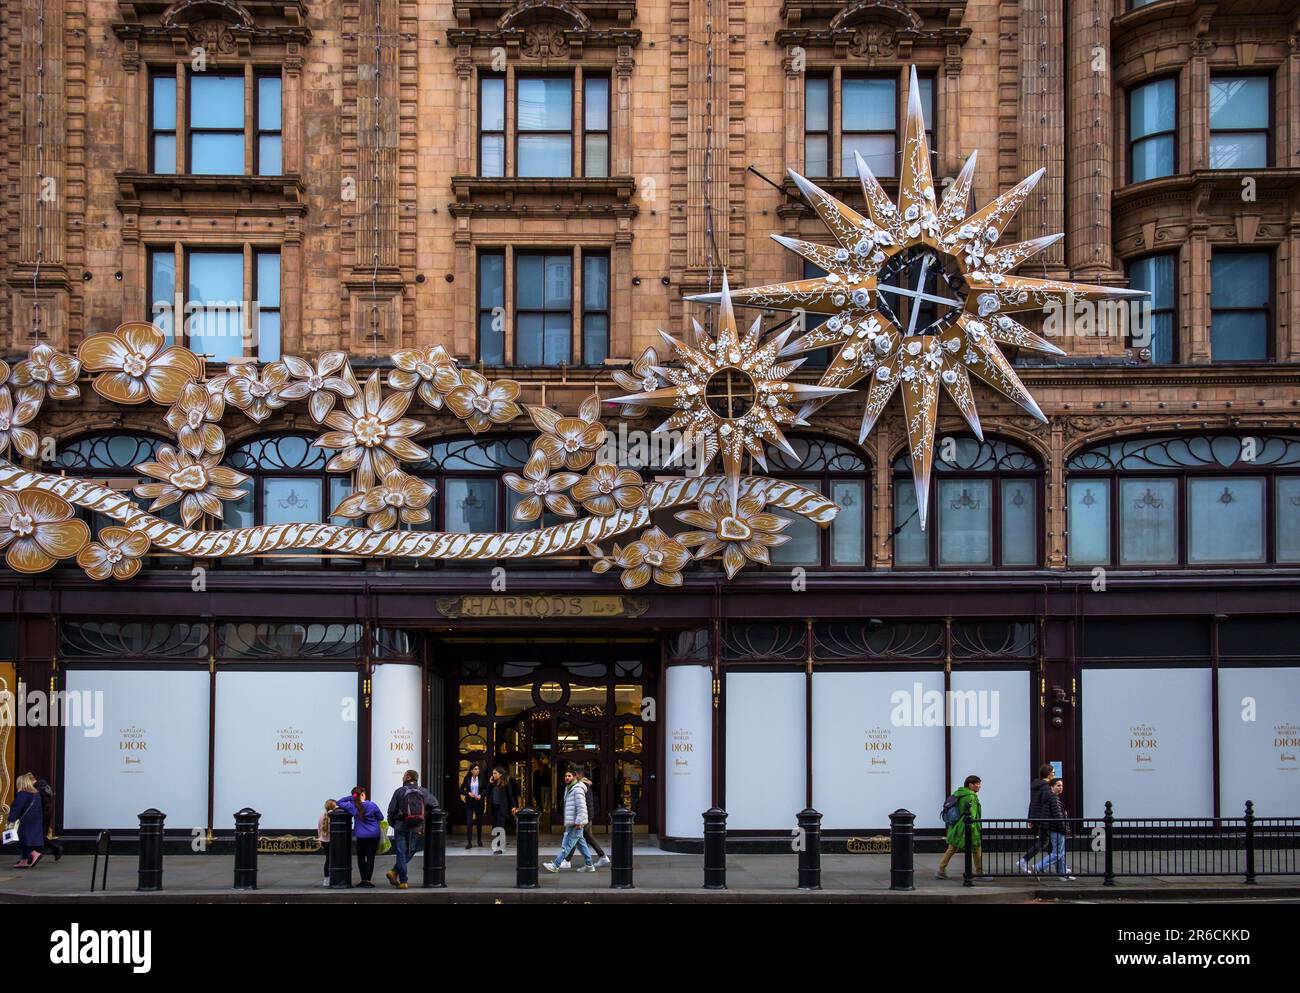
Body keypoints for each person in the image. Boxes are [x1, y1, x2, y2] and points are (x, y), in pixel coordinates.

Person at [386, 770, 437, 889]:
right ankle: (395, 873)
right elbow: (435, 804)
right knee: (412, 849)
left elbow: (391, 810)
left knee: (400, 852)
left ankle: (402, 879)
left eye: (403, 775)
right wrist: (423, 816)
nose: (402, 777)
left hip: (401, 825)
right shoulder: (423, 791)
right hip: (416, 826)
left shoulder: (399, 791)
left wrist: (393, 823)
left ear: (408, 777)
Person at [542, 766, 596, 873]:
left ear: (575, 777)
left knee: (567, 845)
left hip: (576, 823)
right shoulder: (569, 788)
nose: (567, 778)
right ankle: (589, 865)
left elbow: (582, 807)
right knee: (581, 844)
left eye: (569, 776)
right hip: (572, 822)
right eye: (566, 776)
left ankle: (556, 865)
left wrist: (580, 822)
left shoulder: (577, 789)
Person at [336, 786, 384, 887]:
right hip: (374, 834)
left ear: (354, 796)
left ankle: (363, 880)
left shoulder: (352, 806)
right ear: (363, 794)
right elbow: (381, 817)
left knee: (361, 857)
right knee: (371, 857)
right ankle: (368, 881)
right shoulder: (372, 805)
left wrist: (351, 798)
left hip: (361, 835)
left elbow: (339, 802)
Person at [936, 775, 982, 879]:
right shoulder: (971, 796)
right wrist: (975, 829)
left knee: (952, 847)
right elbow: (972, 815)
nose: (979, 786)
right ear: (970, 785)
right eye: (977, 784)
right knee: (976, 847)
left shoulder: (959, 793)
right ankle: (979, 873)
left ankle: (941, 870)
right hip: (968, 827)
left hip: (956, 826)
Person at [1032, 777, 1075, 880]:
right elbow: (1058, 816)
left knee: (1060, 853)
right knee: (1058, 853)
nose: (1060, 788)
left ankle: (1062, 873)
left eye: (1062, 786)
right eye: (1058, 785)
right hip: (1057, 829)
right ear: (1052, 787)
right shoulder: (1054, 798)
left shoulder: (1050, 797)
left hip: (1053, 828)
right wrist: (1065, 829)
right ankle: (1038, 867)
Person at [1019, 763, 1056, 873]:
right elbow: (1046, 803)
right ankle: (1024, 860)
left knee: (1049, 842)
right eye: (1053, 773)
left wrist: (1030, 818)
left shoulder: (1036, 785)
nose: (1054, 775)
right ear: (1049, 774)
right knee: (1046, 842)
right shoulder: (1046, 787)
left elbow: (1033, 802)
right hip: (1045, 817)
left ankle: (1059, 867)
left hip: (1037, 816)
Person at [5, 773, 46, 868]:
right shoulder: (36, 794)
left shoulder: (22, 794)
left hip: (24, 822)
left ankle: (34, 854)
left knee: (20, 840)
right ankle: (24, 861)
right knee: (27, 841)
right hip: (35, 822)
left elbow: (16, 808)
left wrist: (11, 820)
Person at [580, 769, 609, 868]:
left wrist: (585, 818)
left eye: (572, 775)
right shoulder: (583, 785)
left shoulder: (583, 786)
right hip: (586, 816)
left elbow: (585, 804)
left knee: (573, 838)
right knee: (587, 838)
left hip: (585, 817)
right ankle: (602, 856)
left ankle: (566, 860)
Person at [488, 765, 518, 855]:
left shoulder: (506, 783)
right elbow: (487, 792)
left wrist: (513, 806)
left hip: (502, 809)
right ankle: (497, 846)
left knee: (500, 827)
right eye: (493, 773)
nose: (493, 775)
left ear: (500, 774)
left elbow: (510, 796)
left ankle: (500, 848)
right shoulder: (493, 783)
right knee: (495, 827)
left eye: (495, 773)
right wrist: (490, 783)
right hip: (494, 808)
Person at [34, 778, 62, 862]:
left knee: (40, 837)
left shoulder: (42, 795)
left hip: (42, 819)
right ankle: (34, 855)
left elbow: (45, 809)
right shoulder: (45, 793)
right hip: (44, 818)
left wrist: (39, 818)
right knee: (40, 837)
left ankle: (56, 848)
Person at [460, 762, 485, 849]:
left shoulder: (482, 778)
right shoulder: (467, 778)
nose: (477, 770)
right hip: (469, 803)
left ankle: (479, 840)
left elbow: (485, 790)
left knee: (479, 822)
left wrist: (481, 795)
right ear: (471, 771)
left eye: (478, 769)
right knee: (469, 822)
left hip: (479, 802)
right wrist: (468, 793)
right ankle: (469, 842)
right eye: (475, 769)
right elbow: (461, 790)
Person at [318, 799, 337, 886]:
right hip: (333, 841)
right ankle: (334, 877)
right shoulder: (334, 816)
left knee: (328, 859)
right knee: (333, 859)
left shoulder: (322, 816)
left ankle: (327, 879)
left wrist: (319, 839)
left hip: (324, 840)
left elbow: (319, 829)